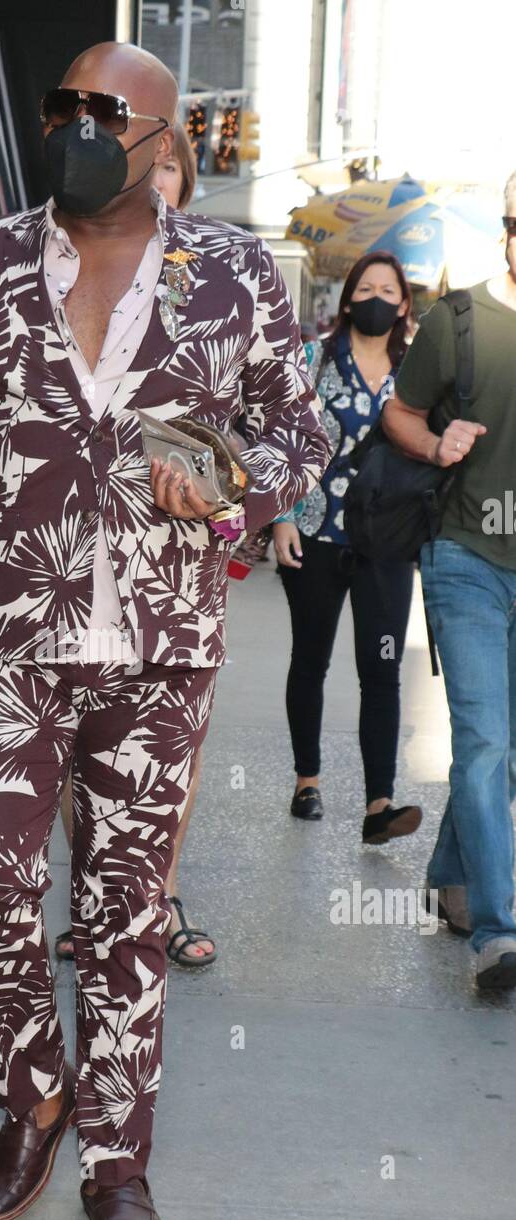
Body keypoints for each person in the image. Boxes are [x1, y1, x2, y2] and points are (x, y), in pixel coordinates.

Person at [0, 40, 328, 1220]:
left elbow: (301, 423)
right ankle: (32, 1090)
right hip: (14, 639)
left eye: (106, 111)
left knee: (124, 912)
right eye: (63, 104)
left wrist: (230, 495)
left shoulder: (231, 274)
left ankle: (115, 1156)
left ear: (163, 139)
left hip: (158, 647)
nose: (78, 124)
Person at [55, 121, 217, 969]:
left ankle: (153, 898)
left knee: (162, 780)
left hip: (173, 596)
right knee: (82, 779)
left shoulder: (217, 284)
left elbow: (270, 435)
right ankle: (102, 896)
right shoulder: (56, 269)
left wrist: (222, 495)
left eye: (168, 181)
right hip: (57, 594)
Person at [382, 171, 516, 991]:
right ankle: (501, 933)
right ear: (509, 228)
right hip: (466, 556)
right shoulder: (458, 321)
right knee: (485, 741)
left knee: (506, 749)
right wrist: (435, 445)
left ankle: (449, 874)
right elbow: (398, 411)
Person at [273, 252, 422, 844]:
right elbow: (281, 435)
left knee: (382, 670)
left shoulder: (416, 376)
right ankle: (307, 781)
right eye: (366, 287)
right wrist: (281, 516)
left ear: (405, 304)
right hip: (315, 532)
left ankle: (378, 805)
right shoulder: (315, 361)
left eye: (389, 289)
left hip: (387, 545)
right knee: (311, 659)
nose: (377, 297)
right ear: (348, 299)